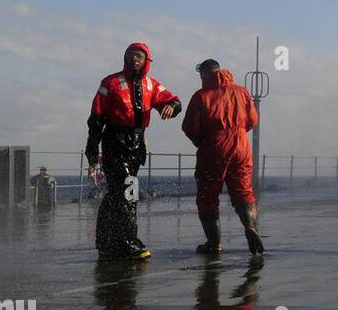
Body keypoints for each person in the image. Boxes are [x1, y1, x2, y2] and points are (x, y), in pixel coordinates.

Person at [85, 42, 182, 260]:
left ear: (146, 61)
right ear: (125, 58)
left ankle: (107, 242)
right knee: (128, 191)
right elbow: (96, 117)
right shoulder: (110, 83)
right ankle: (128, 241)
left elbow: (174, 100)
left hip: (136, 145)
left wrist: (171, 107)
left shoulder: (151, 85)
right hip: (114, 142)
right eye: (131, 55)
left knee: (117, 194)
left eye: (139, 56)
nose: (135, 59)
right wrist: (92, 147)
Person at [182, 59, 264, 256]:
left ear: (204, 74)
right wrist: (238, 134)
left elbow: (190, 127)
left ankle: (213, 243)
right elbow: (253, 119)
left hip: (214, 147)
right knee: (243, 191)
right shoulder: (242, 91)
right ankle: (250, 227)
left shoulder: (201, 96)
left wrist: (203, 142)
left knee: (208, 196)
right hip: (242, 147)